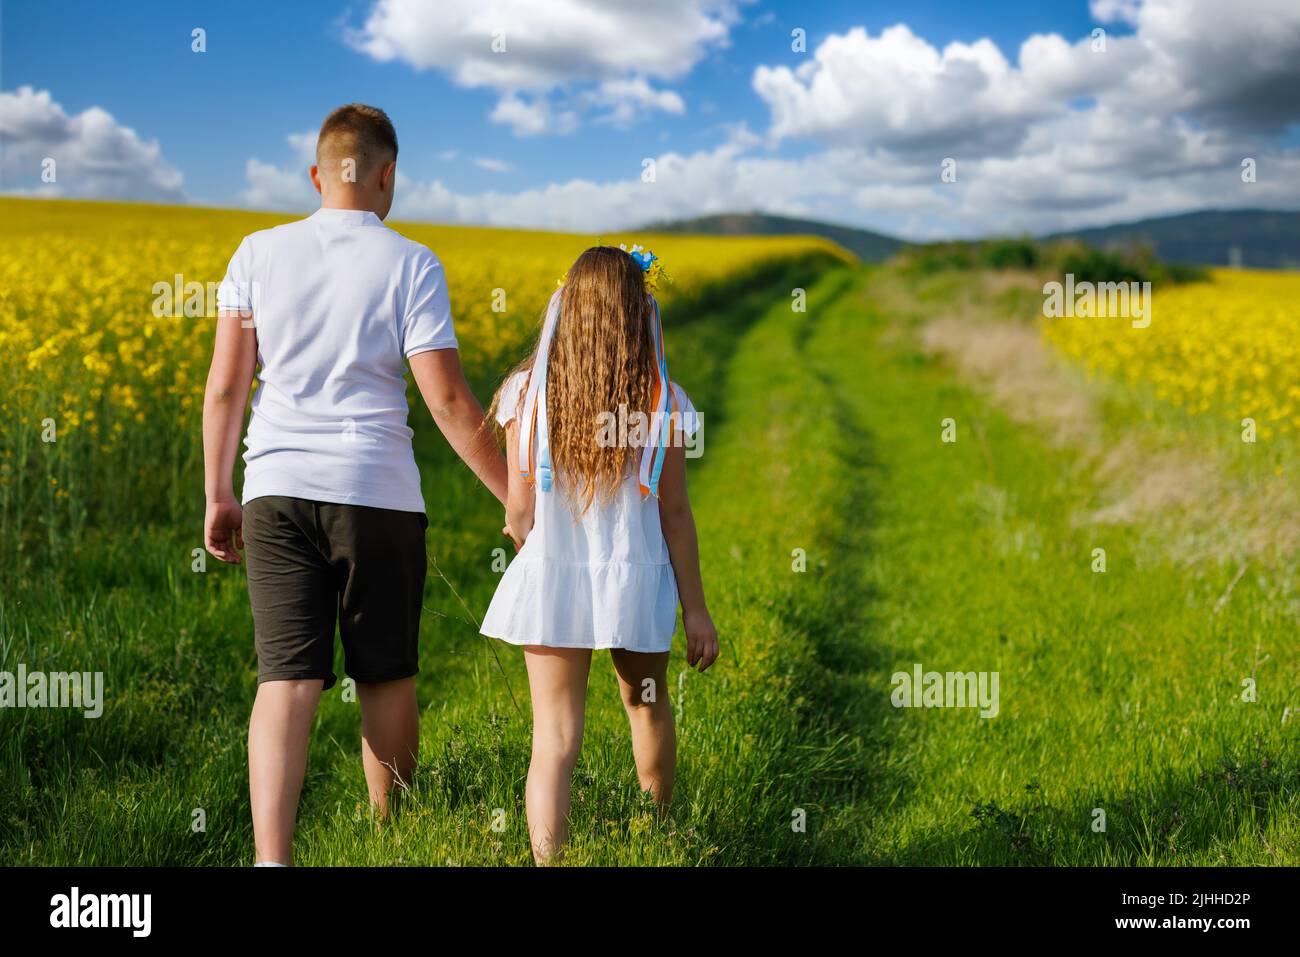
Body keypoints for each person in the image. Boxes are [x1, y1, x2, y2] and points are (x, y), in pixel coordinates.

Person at [201, 103, 506, 867]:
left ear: (316, 174)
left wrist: (219, 492)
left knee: (288, 678)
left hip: (275, 489)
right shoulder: (412, 263)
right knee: (386, 671)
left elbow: (225, 389)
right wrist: (515, 495)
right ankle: (389, 839)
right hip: (379, 495)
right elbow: (445, 400)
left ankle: (273, 861)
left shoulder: (255, 252)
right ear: (387, 175)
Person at [482, 245, 720, 864]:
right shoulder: (661, 402)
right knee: (645, 706)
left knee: (554, 739)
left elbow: (519, 513)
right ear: (638, 311)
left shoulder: (523, 395)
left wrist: (543, 548)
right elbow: (674, 514)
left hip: (555, 578)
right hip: (634, 579)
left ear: (569, 307)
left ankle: (548, 860)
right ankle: (659, 835)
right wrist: (696, 610)